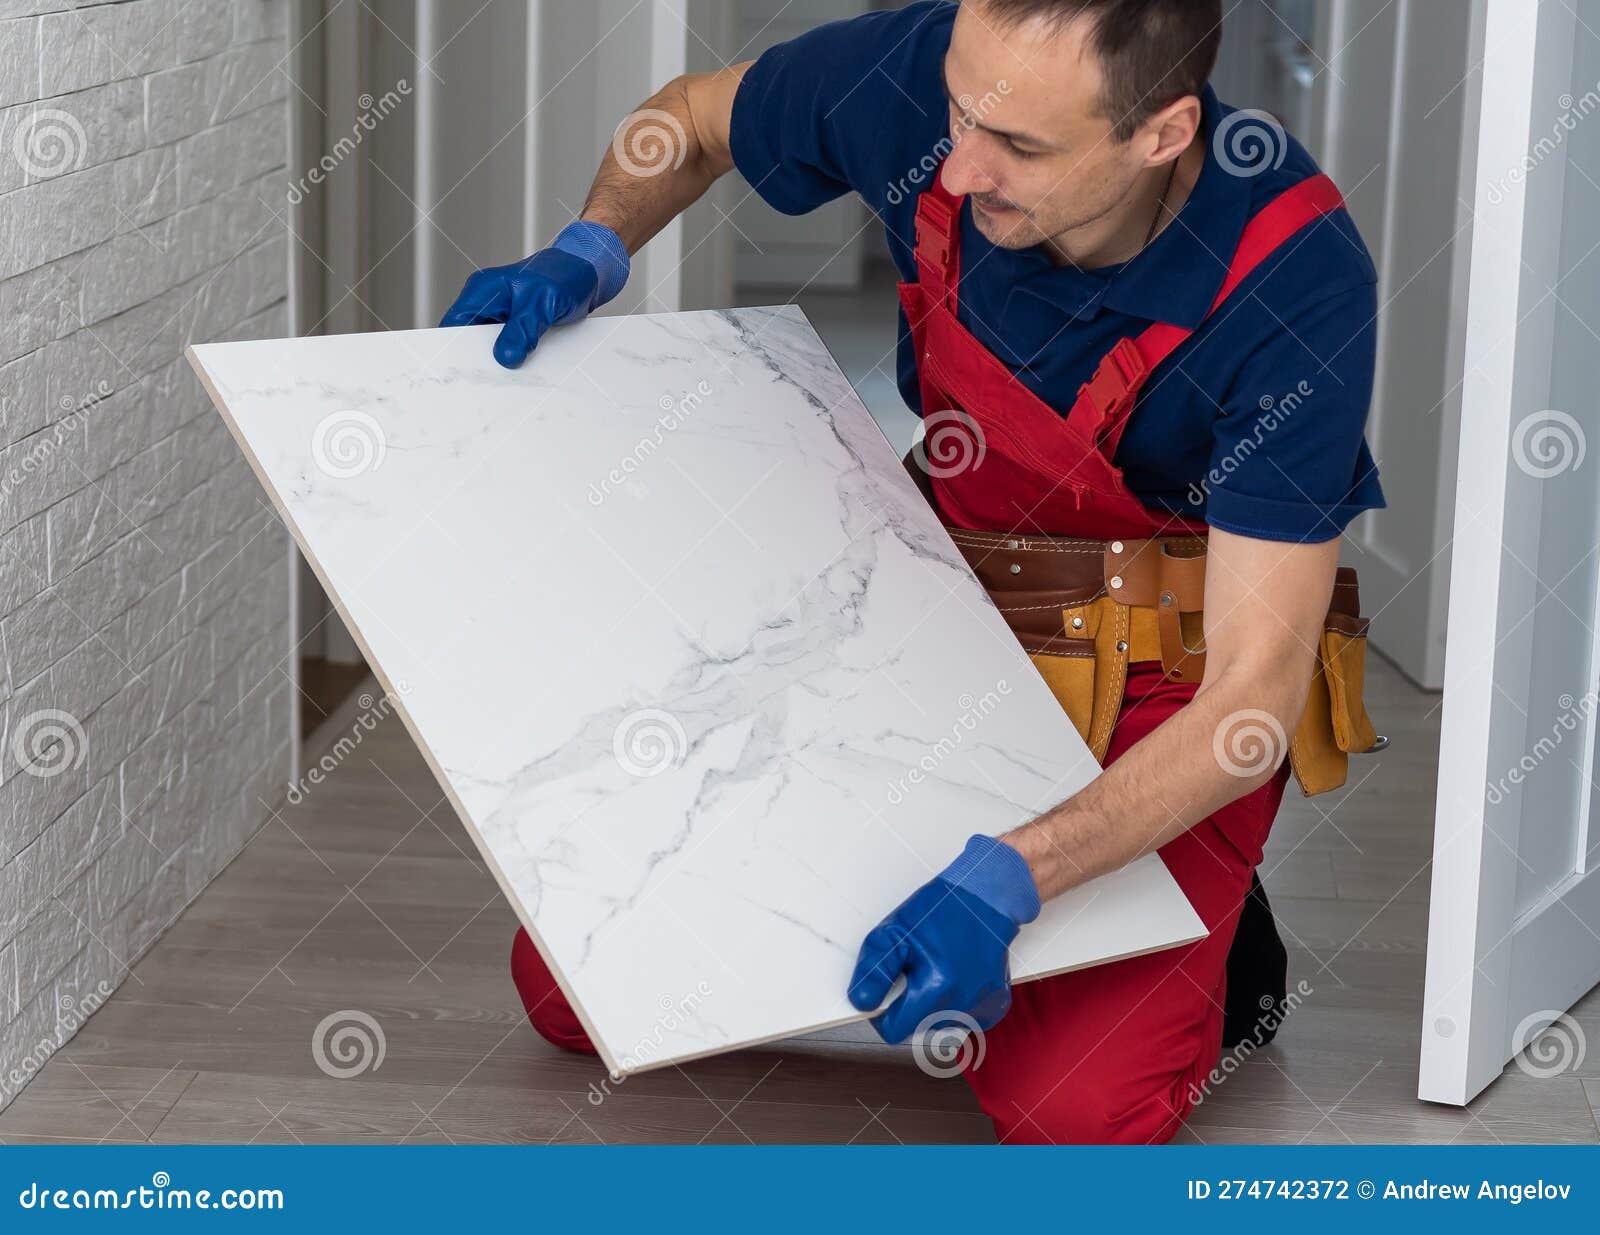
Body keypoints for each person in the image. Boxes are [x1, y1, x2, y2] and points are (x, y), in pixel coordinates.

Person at [442, 0, 1386, 1144]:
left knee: (1076, 1110)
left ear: (1162, 132)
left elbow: (1250, 702)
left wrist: (1017, 874)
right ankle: (1116, 884)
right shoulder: (940, 70)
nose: (956, 171)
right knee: (582, 991)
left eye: (1021, 149)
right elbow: (686, 122)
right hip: (938, 596)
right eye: (956, 115)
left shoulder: (1294, 275)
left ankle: (1217, 942)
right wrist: (592, 245)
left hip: (1166, 673)